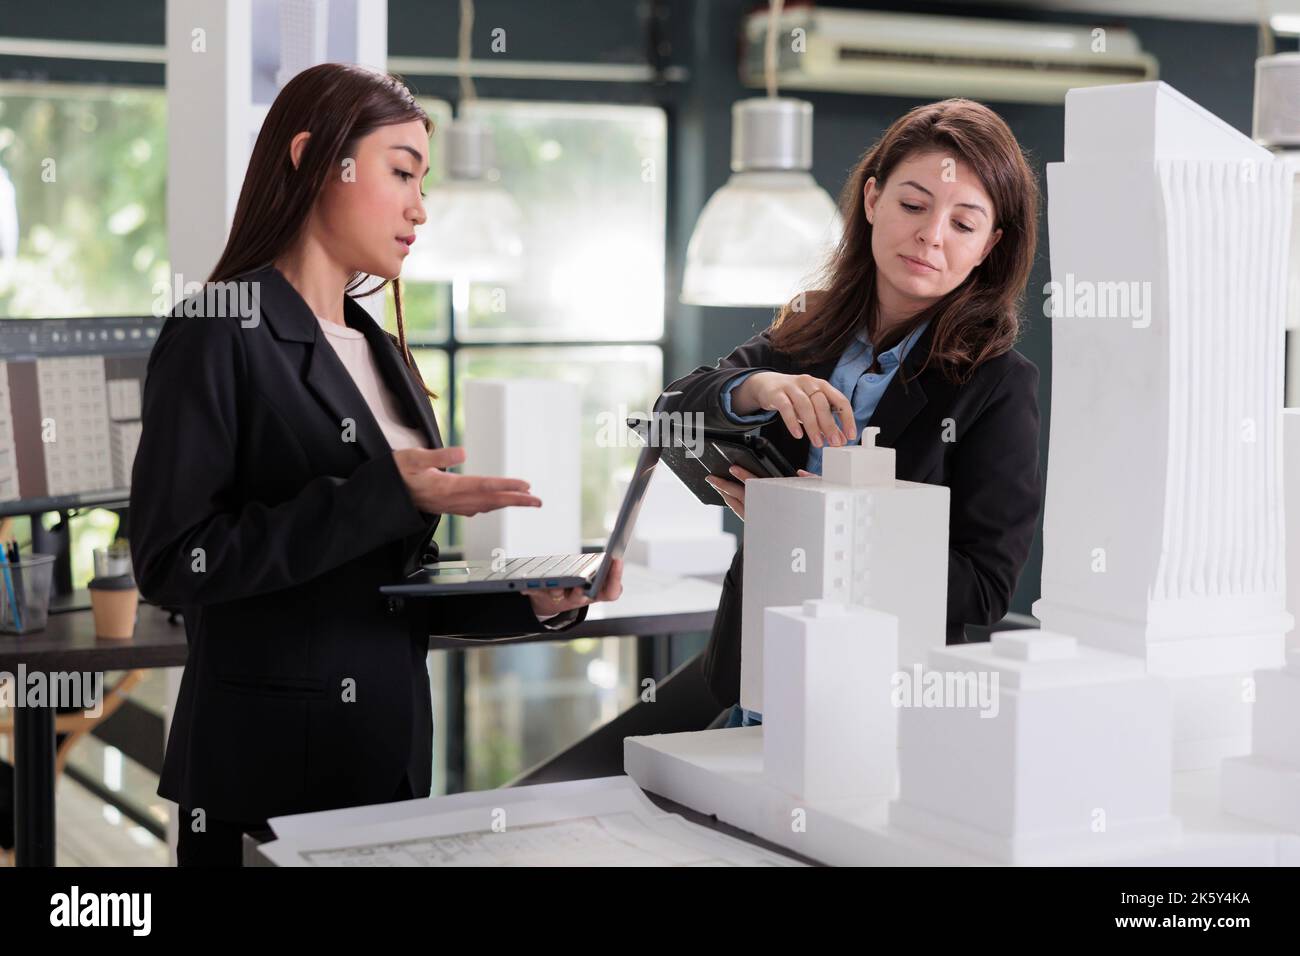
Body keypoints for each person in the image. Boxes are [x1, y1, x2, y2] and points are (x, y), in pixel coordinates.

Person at [128, 63, 623, 866]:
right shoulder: (219, 330)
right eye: (401, 172)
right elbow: (171, 563)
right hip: (263, 784)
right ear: (313, 159)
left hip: (384, 770)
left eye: (422, 182)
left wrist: (527, 601)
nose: (419, 209)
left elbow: (383, 589)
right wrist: (377, 495)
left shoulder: (383, 351)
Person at [659, 98, 1043, 725]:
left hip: (880, 703)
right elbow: (671, 408)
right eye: (913, 206)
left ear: (989, 247)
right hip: (754, 679)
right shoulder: (809, 331)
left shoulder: (997, 384)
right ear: (871, 201)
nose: (931, 235)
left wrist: (821, 524)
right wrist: (757, 387)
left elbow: (984, 590)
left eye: (964, 224)